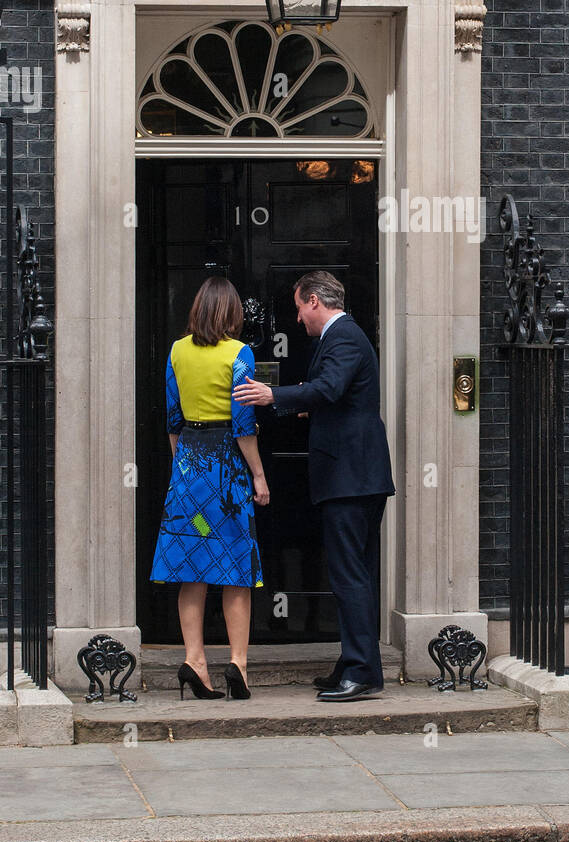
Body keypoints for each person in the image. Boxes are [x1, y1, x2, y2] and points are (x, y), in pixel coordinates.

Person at [233, 270, 395, 702]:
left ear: (314, 302)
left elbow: (330, 387)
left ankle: (361, 671)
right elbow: (337, 396)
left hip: (351, 477)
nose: (298, 317)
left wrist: (275, 396)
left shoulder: (343, 337)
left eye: (299, 307)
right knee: (353, 573)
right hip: (353, 475)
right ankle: (355, 662)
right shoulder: (342, 337)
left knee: (349, 575)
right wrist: (312, 407)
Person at [151, 276, 270, 701]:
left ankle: (195, 660)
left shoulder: (177, 351)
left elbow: (172, 418)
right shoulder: (240, 354)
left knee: (191, 568)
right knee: (236, 569)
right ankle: (237, 663)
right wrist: (257, 473)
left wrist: (180, 468)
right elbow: (243, 424)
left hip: (188, 462)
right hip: (227, 467)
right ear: (232, 313)